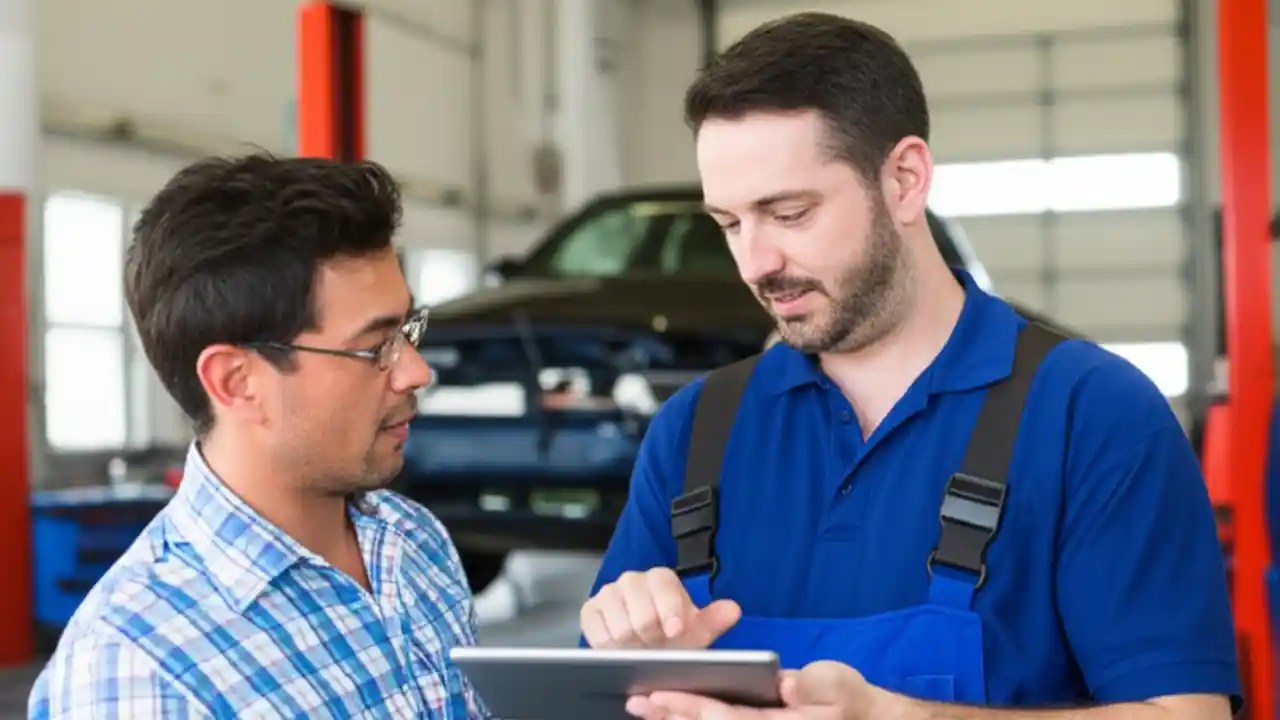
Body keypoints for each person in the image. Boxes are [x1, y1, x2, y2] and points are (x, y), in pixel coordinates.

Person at [580, 12, 1242, 720]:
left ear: (904, 179)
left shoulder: (1091, 413)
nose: (755, 263)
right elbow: (600, 696)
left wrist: (898, 716)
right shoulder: (695, 432)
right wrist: (623, 636)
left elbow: (1183, 715)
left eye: (790, 213)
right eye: (730, 223)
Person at [29, 154, 485, 718]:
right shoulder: (138, 672)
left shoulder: (412, 543)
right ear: (237, 382)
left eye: (408, 329)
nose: (416, 370)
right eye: (376, 346)